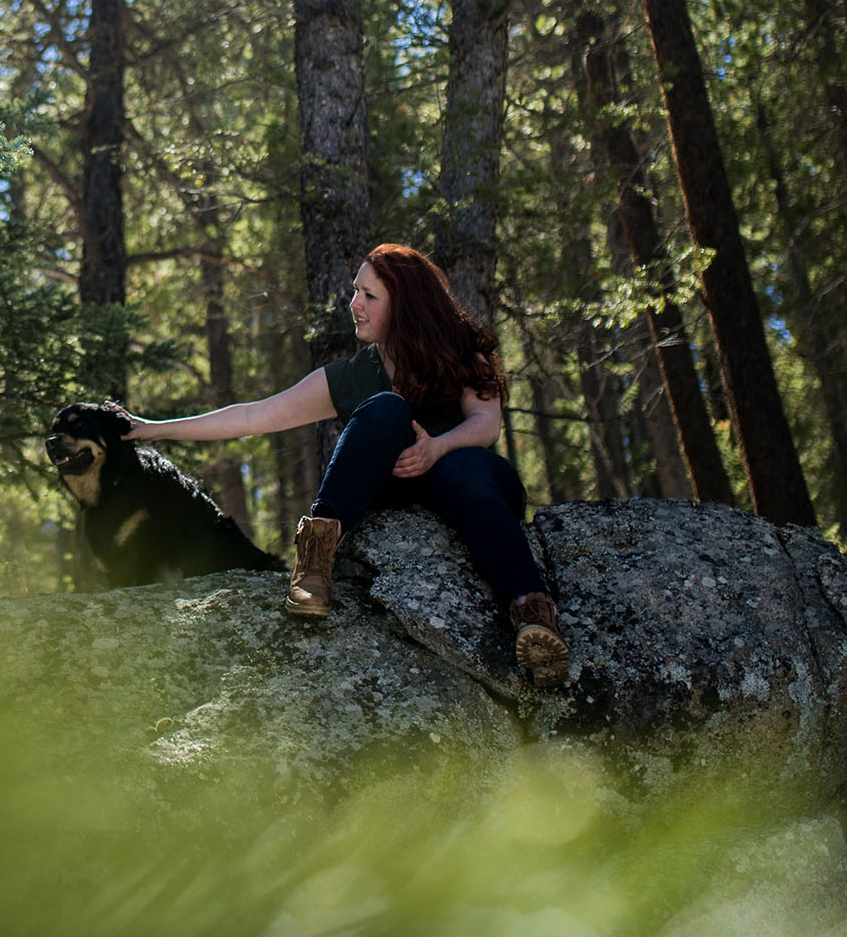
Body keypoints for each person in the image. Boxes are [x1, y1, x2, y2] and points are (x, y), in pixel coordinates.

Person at [125, 244, 569, 688]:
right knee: (386, 408)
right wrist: (150, 429)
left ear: (405, 303)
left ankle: (533, 615)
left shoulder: (461, 351)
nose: (354, 304)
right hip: (397, 488)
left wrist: (437, 447)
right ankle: (315, 563)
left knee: (461, 465)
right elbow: (252, 416)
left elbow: (486, 424)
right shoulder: (352, 375)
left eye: (369, 296)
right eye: (355, 291)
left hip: (472, 485)